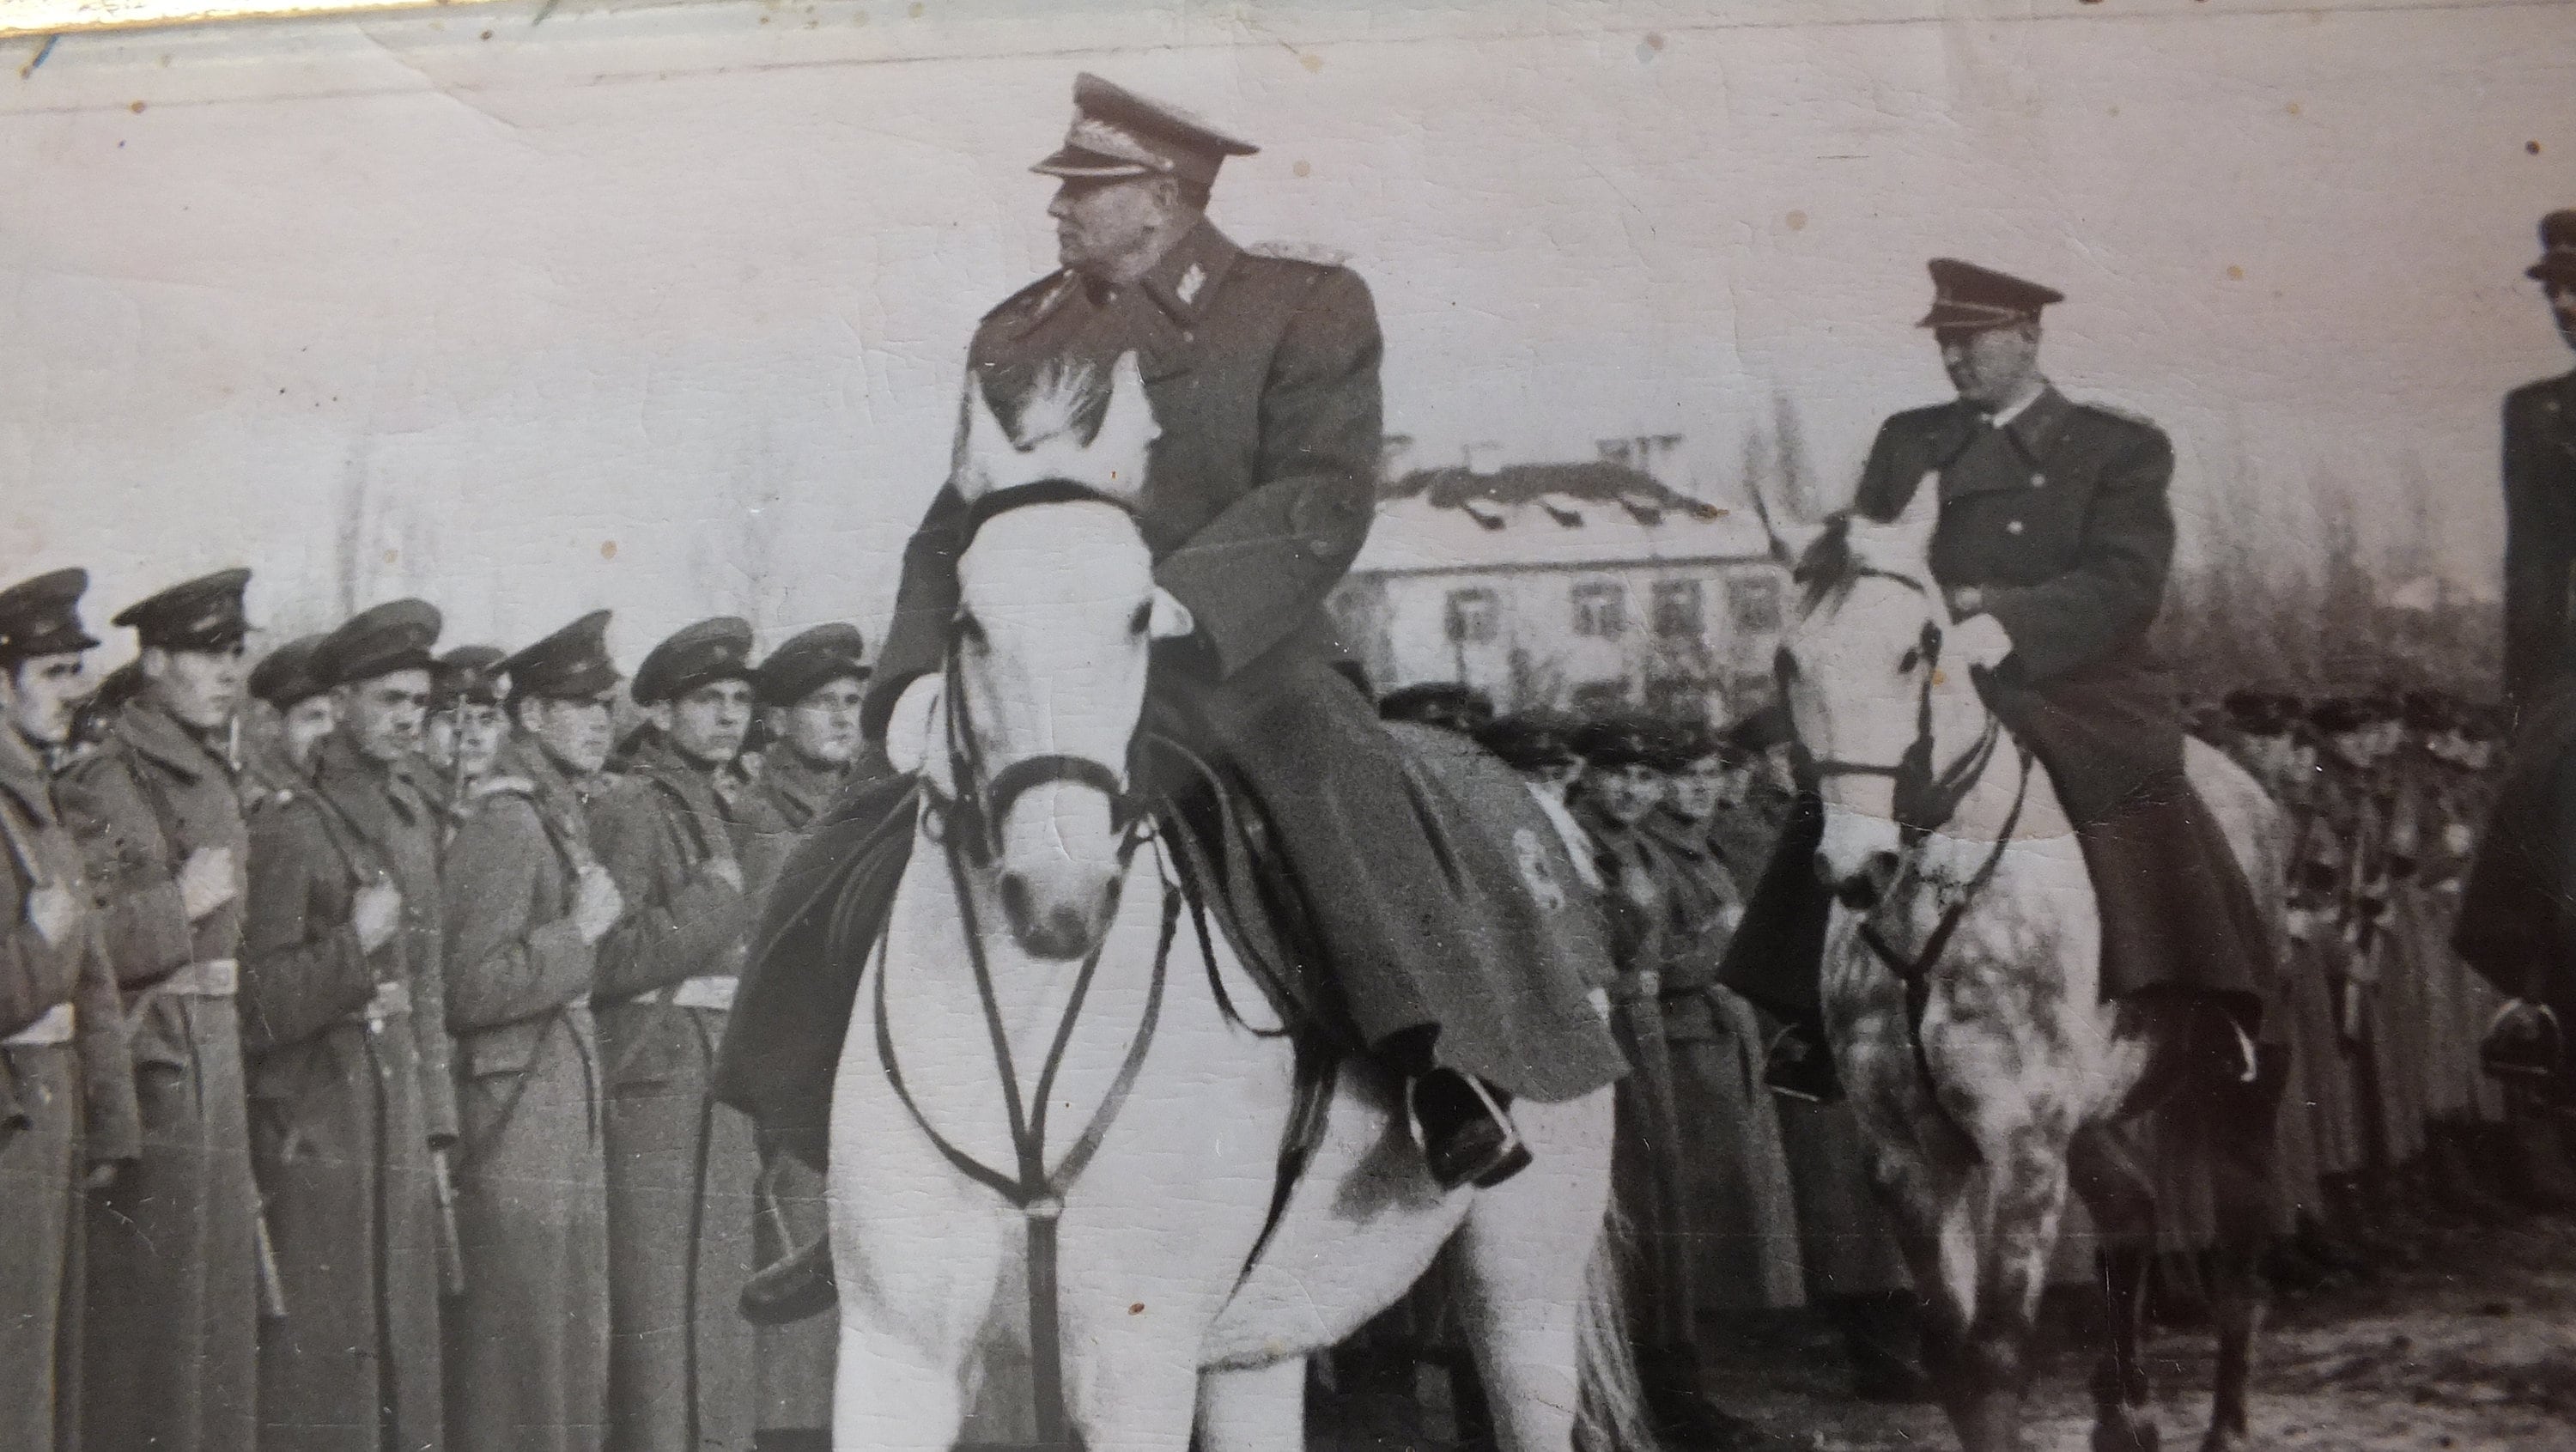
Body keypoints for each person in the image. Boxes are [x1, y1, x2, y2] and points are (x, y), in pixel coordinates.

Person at [719, 72, 1624, 1194]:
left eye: (1086, 186)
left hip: (1227, 660)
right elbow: (954, 524)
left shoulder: (1301, 304)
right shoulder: (1019, 333)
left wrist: (1179, 599)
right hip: (1038, 665)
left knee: (1331, 773)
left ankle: (1436, 1066)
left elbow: (1320, 492)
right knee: (857, 817)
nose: (1058, 207)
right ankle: (813, 1109)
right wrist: (907, 677)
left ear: (1162, 193)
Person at [1721, 258, 2274, 1103]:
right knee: (1842, 778)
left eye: (1970, 341)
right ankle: (1810, 1010)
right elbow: (1868, 562)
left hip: (2074, 677)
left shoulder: (2117, 446)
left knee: (2141, 779)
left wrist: (2006, 624)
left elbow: (2127, 580)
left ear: (2027, 335)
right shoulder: (1910, 439)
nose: (1953, 360)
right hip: (1930, 671)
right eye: (1945, 343)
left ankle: (2200, 1002)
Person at [238, 598, 458, 1452]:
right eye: (389, 699)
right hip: (318, 1126)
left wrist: (439, 1122)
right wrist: (353, 949)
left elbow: (429, 982)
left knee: (404, 1354)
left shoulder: (409, 811)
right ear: (340, 703)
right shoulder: (292, 821)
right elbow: (256, 1004)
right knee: (328, 1369)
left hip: (396, 1118)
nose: (408, 717)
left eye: (417, 700)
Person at [58, 565, 263, 1452]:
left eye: (235, 653)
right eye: (208, 654)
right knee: (157, 1326)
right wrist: (175, 908)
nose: (228, 671)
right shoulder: (105, 784)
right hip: (158, 1074)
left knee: (215, 1321)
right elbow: (76, 943)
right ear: (155, 663)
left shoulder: (210, 767)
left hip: (212, 1062)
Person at [440, 610, 625, 1452]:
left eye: (604, 704)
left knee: (561, 1346)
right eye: (577, 704)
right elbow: (468, 983)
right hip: (515, 1116)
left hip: (552, 1107)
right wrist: (576, 934)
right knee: (523, 1357)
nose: (601, 719)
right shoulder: (508, 820)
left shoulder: (552, 810)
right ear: (530, 714)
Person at [587, 617, 764, 1452]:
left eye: (739, 699)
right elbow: (607, 954)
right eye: (707, 700)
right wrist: (709, 903)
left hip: (715, 1082)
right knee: (658, 1313)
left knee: (715, 1307)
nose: (728, 715)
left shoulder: (717, 804)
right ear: (659, 714)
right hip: (654, 1084)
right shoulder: (631, 808)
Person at [0, 568, 140, 1452]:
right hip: (12, 1121)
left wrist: (113, 1117)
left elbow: (95, 979)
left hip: (50, 1116)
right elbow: (54, 956)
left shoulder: (37, 797)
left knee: (44, 1369)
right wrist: (38, 945)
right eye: (52, 672)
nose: (75, 690)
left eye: (75, 669)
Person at [732, 623, 873, 1449]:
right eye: (822, 702)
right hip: (801, 1078)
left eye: (853, 701)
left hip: (860, 1068)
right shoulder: (759, 819)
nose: (842, 717)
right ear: (778, 720)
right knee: (799, 1312)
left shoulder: (862, 803)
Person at [2459, 209, 2576, 1120]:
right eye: (2555, 291)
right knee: (2543, 775)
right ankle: (2534, 995)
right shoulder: (2534, 413)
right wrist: (2524, 707)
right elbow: (2533, 568)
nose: (2566, 304)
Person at [1641, 723, 1806, 1322]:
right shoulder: (1656, 850)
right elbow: (1645, 957)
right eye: (1685, 777)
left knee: (1739, 1183)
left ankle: (1735, 1314)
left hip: (1717, 1025)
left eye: (1709, 776)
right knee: (1704, 1187)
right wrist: (1720, 940)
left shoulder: (1698, 844)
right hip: (1684, 1030)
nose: (1699, 789)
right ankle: (1709, 1317)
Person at [242, 633, 335, 805]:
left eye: (342, 717)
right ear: (275, 724)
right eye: (314, 717)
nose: (331, 729)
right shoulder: (264, 806)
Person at [425, 643, 513, 817]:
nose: (475, 736)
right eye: (457, 720)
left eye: (487, 720)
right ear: (423, 730)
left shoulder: (509, 804)